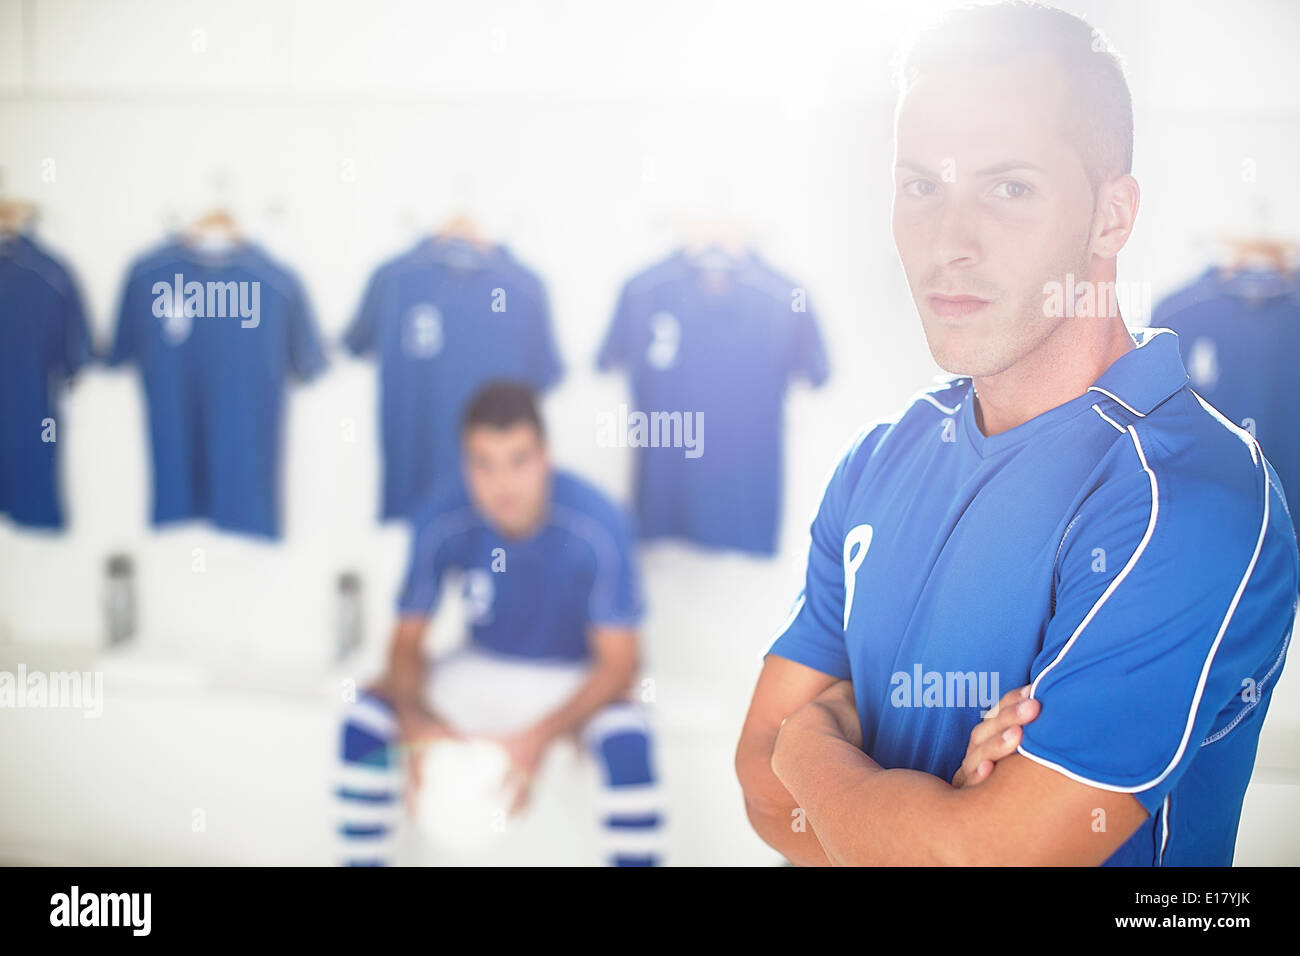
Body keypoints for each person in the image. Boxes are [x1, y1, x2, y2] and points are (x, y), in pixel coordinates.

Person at [735, 0, 1299, 866]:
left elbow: (971, 858)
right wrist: (913, 821)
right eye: (922, 185)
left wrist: (812, 742)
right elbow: (759, 790)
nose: (947, 242)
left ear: (1113, 217)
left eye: (1008, 187)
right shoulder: (878, 459)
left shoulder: (1187, 496)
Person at [336, 382, 664, 866]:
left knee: (628, 736)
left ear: (545, 457)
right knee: (364, 715)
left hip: (572, 673)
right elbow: (405, 644)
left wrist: (538, 738)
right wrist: (418, 724)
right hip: (481, 662)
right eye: (483, 464)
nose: (502, 483)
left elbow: (620, 664)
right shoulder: (441, 517)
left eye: (518, 460)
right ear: (465, 465)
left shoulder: (597, 523)